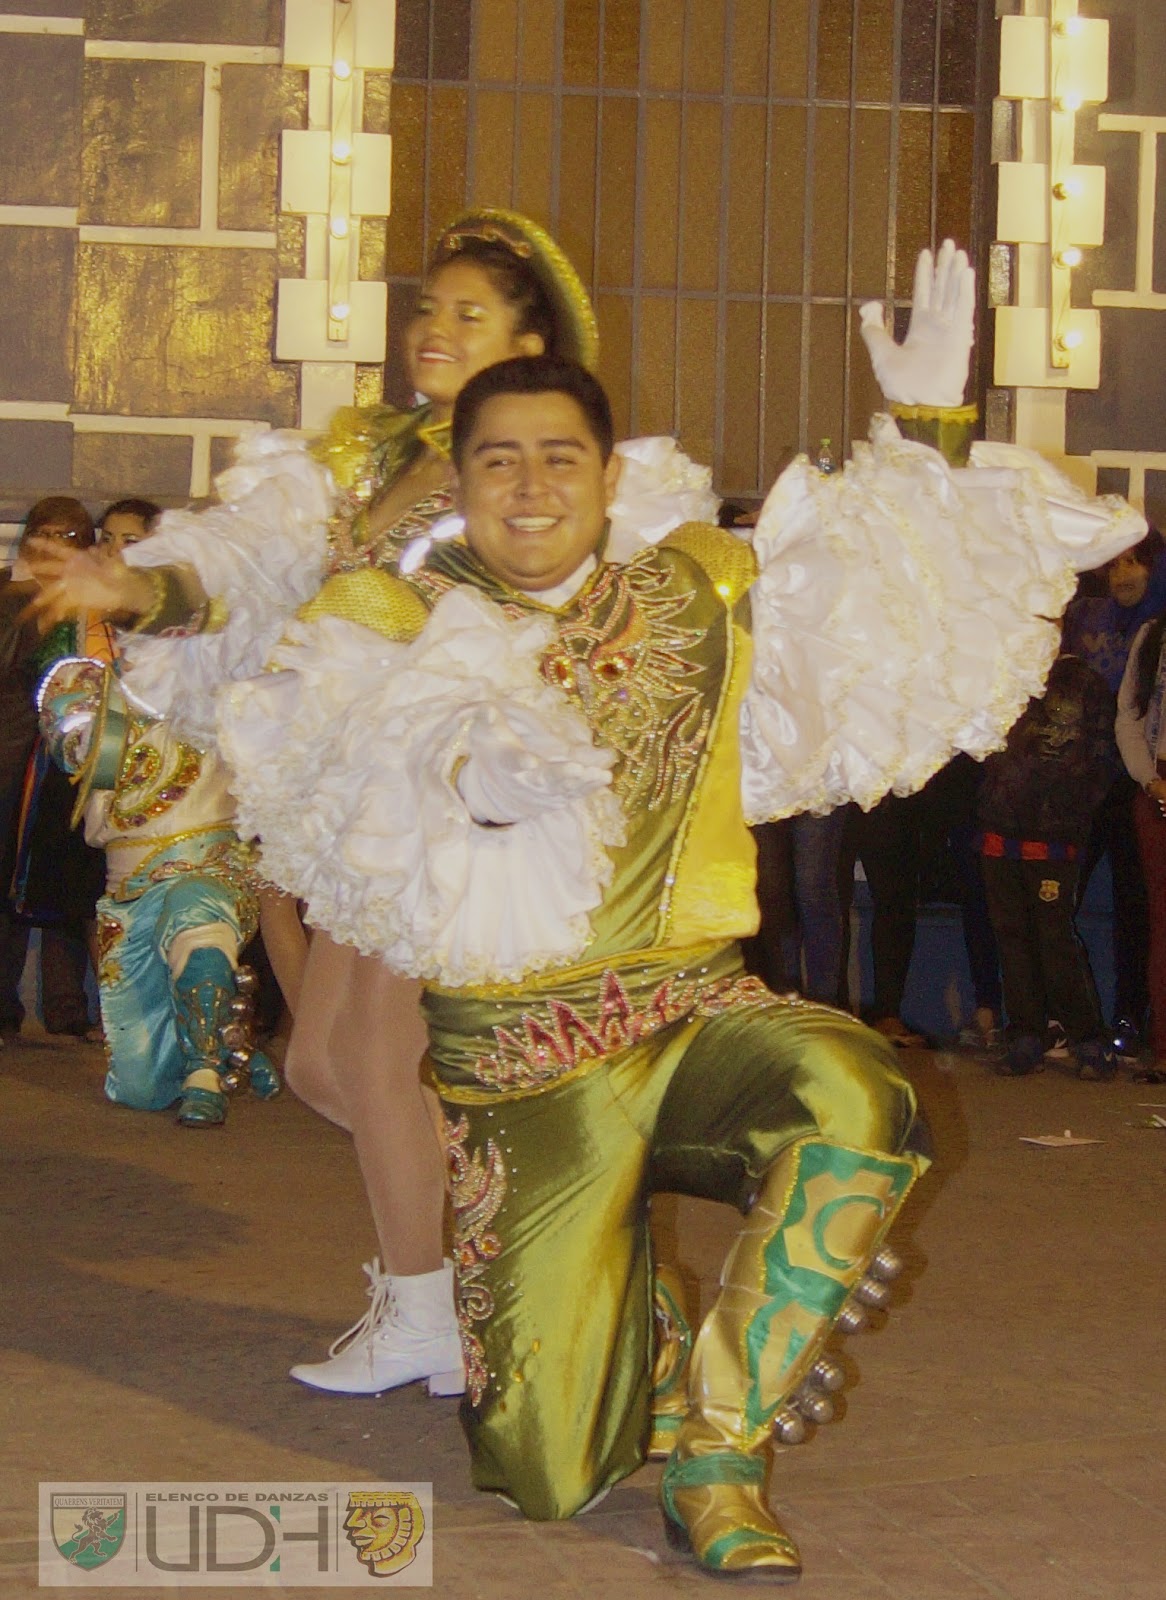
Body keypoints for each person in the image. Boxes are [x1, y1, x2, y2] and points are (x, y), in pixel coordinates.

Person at [25, 247, 1145, 1576]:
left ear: (605, 472)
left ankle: (717, 1451)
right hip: (527, 1073)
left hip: (686, 1026)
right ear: (463, 471)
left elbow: (874, 612)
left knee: (853, 1096)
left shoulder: (693, 589)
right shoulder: (380, 616)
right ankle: (631, 1332)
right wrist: (448, 755)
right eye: (497, 462)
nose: (528, 485)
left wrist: (925, 434)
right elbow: (301, 689)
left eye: (558, 458)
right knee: (546, 1473)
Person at [23, 210, 717, 1399]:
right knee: (321, 1069)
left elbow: (605, 608)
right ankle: (523, 1246)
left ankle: (424, 1315)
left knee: (384, 1061)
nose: (431, 330)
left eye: (468, 313)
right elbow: (256, 557)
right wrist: (141, 580)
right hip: (361, 793)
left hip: (456, 796)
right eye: (426, 307)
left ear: (529, 336)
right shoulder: (371, 454)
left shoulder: (542, 468)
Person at [35, 655, 280, 1124]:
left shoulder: (232, 673)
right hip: (130, 889)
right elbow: (75, 753)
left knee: (199, 929)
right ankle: (227, 1040)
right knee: (141, 1088)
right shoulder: (84, 683)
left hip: (210, 866)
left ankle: (205, 1077)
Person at [975, 651, 1117, 1078]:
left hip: (1056, 830)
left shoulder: (1085, 682)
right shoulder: (1003, 669)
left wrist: (1073, 809)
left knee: (1054, 936)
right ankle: (1025, 1034)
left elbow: (1102, 757)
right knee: (1011, 933)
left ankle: (1088, 1038)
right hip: (1000, 822)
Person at [1063, 529, 1166, 1054]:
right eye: (1113, 563)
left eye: (1135, 563)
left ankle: (1130, 1016)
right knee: (1059, 899)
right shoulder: (1084, 618)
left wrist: (1146, 775)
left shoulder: (1158, 629)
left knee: (1137, 907)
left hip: (1136, 784)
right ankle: (1066, 1018)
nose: (1122, 574)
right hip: (1079, 783)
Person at [9, 498, 108, 1040]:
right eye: (45, 535)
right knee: (29, 886)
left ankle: (82, 1011)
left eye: (72, 537)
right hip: (22, 759)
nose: (57, 547)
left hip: (89, 761)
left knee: (81, 889)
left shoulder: (106, 608)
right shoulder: (9, 598)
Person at [1115, 608, 1166, 1083]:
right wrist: (1150, 781)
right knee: (1161, 923)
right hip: (1159, 786)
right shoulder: (1154, 635)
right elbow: (1130, 717)